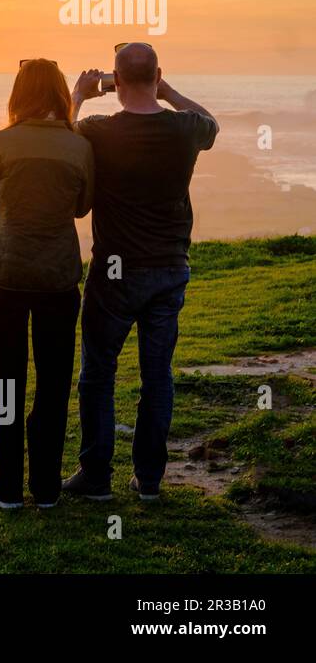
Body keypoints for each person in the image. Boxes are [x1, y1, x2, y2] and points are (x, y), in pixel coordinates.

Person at [64, 43, 218, 501]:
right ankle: (148, 480)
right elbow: (212, 123)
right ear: (158, 75)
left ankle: (96, 478)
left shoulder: (97, 130)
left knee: (98, 373)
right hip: (170, 268)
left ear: (115, 80)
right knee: (157, 375)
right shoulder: (184, 127)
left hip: (115, 273)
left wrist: (77, 94)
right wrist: (167, 91)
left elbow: (61, 138)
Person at [0, 59, 94, 509]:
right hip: (58, 280)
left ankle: (7, 488)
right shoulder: (79, 147)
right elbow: (82, 207)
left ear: (18, 95)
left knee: (7, 381)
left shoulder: (1, 142)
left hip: (5, 276)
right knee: (54, 382)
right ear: (62, 94)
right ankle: (45, 489)